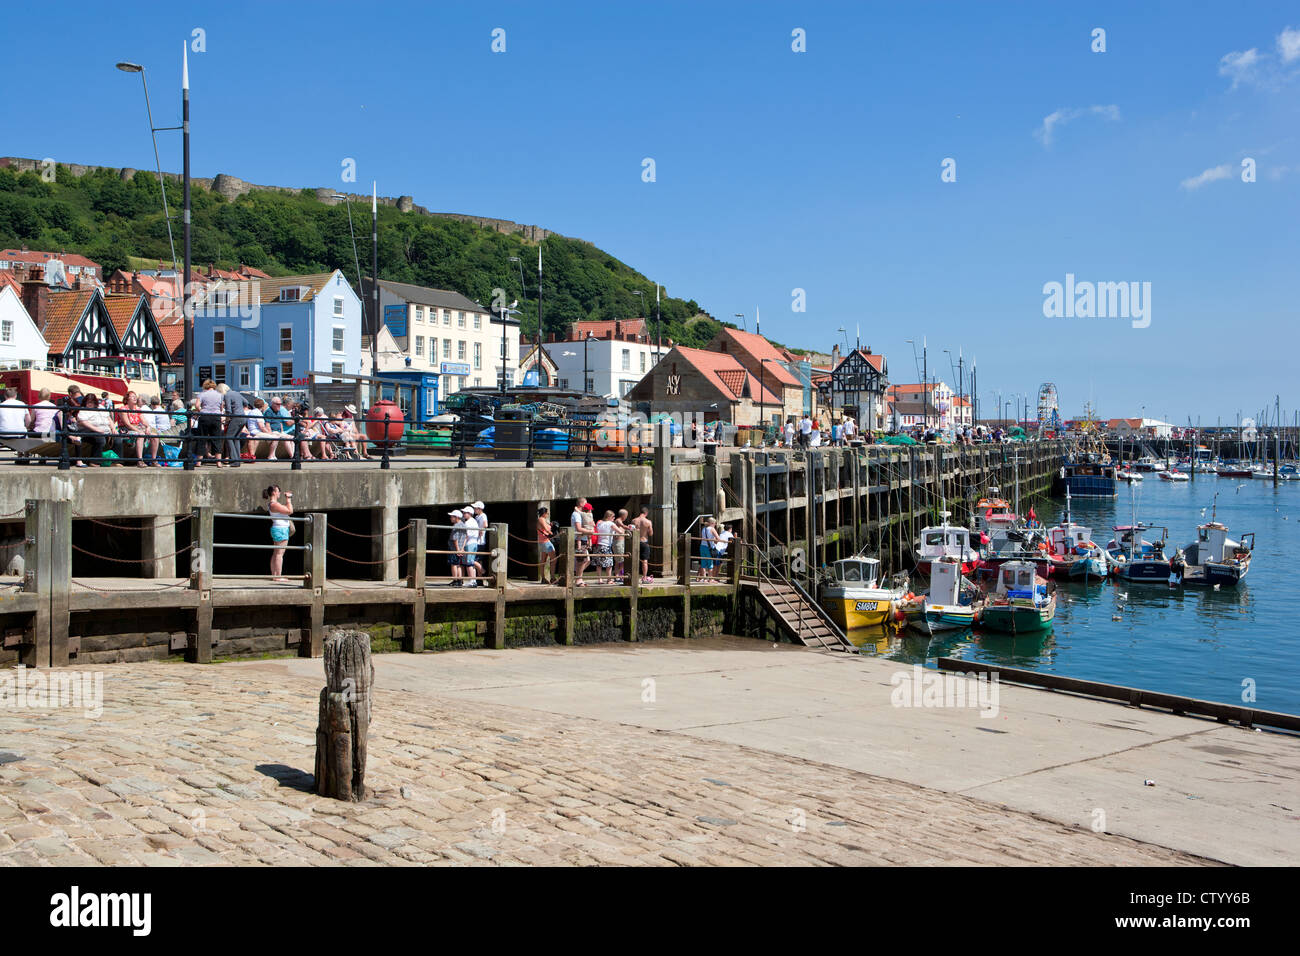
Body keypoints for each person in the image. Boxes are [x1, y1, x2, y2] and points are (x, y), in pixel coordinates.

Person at [117, 391, 161, 466]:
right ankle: (140, 460)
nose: (135, 398)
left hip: (137, 428)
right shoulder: (123, 409)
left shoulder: (137, 409)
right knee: (140, 435)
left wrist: (148, 427)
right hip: (126, 429)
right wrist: (139, 430)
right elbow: (127, 424)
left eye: (135, 396)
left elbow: (144, 421)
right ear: (127, 399)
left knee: (155, 436)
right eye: (132, 396)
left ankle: (154, 460)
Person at [263, 485, 294, 582]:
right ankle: (278, 576)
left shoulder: (274, 504)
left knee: (276, 553)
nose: (280, 493)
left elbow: (284, 510)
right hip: (281, 529)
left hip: (278, 529)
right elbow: (290, 511)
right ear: (274, 492)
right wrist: (288, 499)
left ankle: (274, 575)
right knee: (279, 554)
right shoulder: (274, 504)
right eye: (278, 491)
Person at [76, 394, 116, 464]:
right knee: (100, 439)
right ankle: (95, 461)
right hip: (89, 431)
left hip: (106, 430)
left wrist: (113, 428)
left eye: (92, 402)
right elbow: (84, 422)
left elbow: (108, 418)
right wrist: (97, 429)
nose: (90, 404)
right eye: (88, 402)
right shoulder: (83, 410)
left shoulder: (101, 408)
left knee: (118, 439)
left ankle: (116, 461)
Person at [218, 383, 251, 467]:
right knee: (236, 438)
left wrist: (226, 419)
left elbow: (228, 409)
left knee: (229, 437)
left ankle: (233, 460)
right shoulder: (237, 393)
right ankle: (237, 460)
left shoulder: (227, 395)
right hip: (243, 417)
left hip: (236, 418)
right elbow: (246, 402)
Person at [196, 379, 224, 464]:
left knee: (202, 438)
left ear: (205, 386)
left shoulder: (202, 394)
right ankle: (218, 462)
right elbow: (221, 407)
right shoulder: (220, 395)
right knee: (216, 439)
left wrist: (201, 410)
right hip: (216, 417)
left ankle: (198, 462)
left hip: (205, 417)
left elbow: (197, 405)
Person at [570, 498, 590, 586]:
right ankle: (578, 579)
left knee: (587, 560)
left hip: (584, 539)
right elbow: (578, 528)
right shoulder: (576, 515)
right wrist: (590, 532)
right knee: (582, 560)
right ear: (581, 504)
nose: (587, 505)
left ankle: (578, 576)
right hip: (579, 540)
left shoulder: (581, 514)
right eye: (586, 503)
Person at [460, 506, 481, 586]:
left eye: (465, 513)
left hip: (469, 544)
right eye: (463, 513)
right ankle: (473, 581)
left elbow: (466, 536)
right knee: (471, 562)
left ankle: (472, 582)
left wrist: (462, 547)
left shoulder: (468, 523)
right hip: (474, 543)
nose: (464, 514)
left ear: (470, 514)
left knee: (469, 563)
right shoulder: (474, 521)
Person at [632, 505, 653, 582]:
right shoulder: (648, 522)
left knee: (634, 559)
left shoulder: (634, 521)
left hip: (635, 542)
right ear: (646, 513)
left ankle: (634, 577)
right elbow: (651, 534)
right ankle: (644, 577)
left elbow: (632, 531)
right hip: (644, 542)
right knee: (645, 561)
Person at [594, 510, 616, 584]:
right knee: (609, 564)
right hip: (606, 546)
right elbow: (620, 531)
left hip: (598, 545)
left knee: (598, 564)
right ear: (609, 516)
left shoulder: (599, 523)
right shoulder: (611, 523)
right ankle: (609, 580)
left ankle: (599, 579)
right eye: (613, 517)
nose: (614, 518)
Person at [536, 506, 557, 584]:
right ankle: (552, 577)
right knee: (554, 559)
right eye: (547, 513)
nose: (548, 514)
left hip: (542, 542)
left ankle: (543, 578)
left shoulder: (543, 519)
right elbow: (546, 529)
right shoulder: (541, 519)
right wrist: (553, 533)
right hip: (545, 542)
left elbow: (546, 528)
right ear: (544, 513)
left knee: (543, 560)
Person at [446, 510, 465, 585]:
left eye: (452, 517)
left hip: (454, 548)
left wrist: (457, 550)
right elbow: (466, 537)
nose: (450, 518)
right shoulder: (463, 525)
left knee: (453, 564)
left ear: (456, 517)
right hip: (461, 548)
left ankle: (455, 580)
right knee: (458, 565)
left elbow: (455, 538)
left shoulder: (456, 526)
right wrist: (462, 548)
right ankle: (459, 580)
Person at [698, 516, 719, 581]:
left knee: (703, 563)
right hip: (709, 548)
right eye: (715, 523)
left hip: (702, 546)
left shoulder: (704, 528)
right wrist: (715, 541)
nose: (715, 525)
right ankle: (710, 579)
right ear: (712, 523)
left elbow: (702, 537)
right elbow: (718, 538)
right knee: (710, 563)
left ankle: (704, 579)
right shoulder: (712, 529)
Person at [613, 508, 629, 582]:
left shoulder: (619, 521)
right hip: (618, 543)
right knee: (621, 560)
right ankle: (617, 575)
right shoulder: (618, 520)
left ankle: (618, 575)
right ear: (624, 515)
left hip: (620, 543)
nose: (626, 517)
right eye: (626, 515)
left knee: (619, 560)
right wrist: (630, 527)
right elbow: (622, 526)